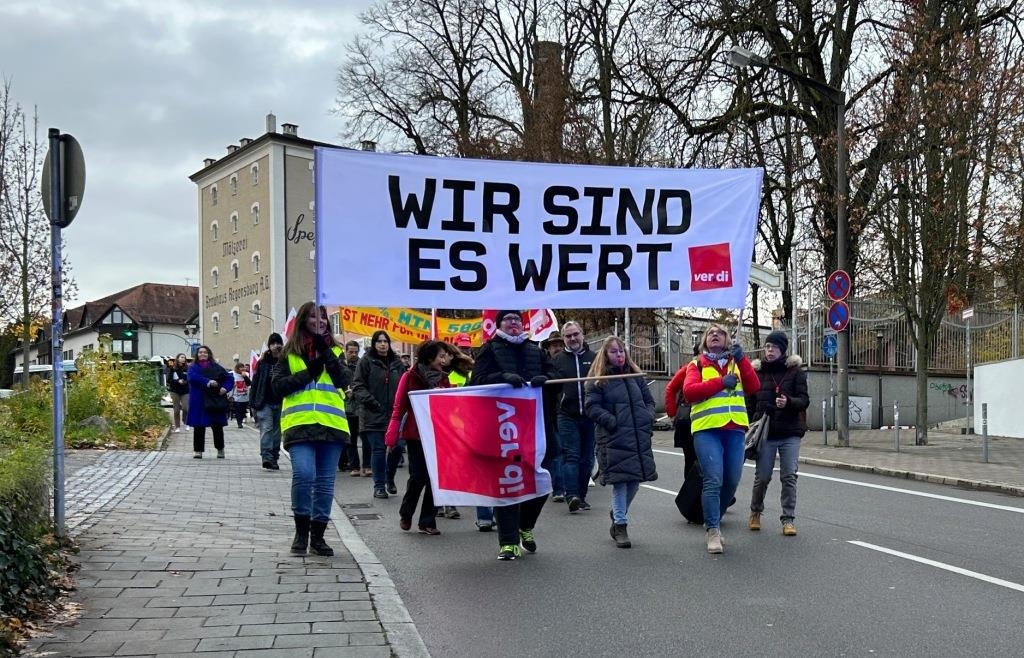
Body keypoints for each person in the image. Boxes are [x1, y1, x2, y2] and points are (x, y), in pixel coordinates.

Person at [468, 309, 554, 561]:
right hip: (503, 425)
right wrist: (502, 377)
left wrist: (546, 379)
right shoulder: (489, 349)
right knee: (507, 481)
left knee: (544, 474)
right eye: (508, 319)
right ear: (499, 325)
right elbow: (477, 381)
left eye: (517, 319)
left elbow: (557, 378)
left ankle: (525, 525)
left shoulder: (535, 350)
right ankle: (508, 542)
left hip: (536, 425)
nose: (514, 322)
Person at [271, 302, 351, 556]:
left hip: (332, 425)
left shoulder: (335, 350)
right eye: (314, 317)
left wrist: (325, 352)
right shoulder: (289, 353)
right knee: (304, 475)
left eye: (323, 317)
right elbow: (278, 387)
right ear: (304, 320)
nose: (320, 321)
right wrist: (309, 373)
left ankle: (318, 537)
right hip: (300, 424)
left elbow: (344, 380)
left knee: (325, 483)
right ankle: (301, 533)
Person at [682, 323, 759, 554]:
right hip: (707, 429)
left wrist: (742, 359)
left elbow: (754, 386)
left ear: (728, 340)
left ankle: (715, 517)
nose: (715, 335)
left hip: (735, 429)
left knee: (732, 480)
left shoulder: (737, 363)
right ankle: (713, 530)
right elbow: (689, 392)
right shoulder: (696, 364)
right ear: (705, 341)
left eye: (721, 333)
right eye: (711, 333)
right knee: (713, 479)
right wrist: (720, 383)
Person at [584, 336, 657, 548]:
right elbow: (592, 407)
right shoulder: (599, 380)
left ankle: (618, 513)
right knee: (620, 482)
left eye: (621, 351)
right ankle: (620, 525)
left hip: (637, 435)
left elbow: (649, 401)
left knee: (634, 481)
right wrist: (612, 421)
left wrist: (647, 417)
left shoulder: (635, 376)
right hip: (613, 437)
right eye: (614, 351)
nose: (619, 355)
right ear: (605, 355)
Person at [386, 340, 453, 535]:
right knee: (418, 476)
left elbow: (451, 409)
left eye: (445, 356)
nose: (444, 360)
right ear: (429, 358)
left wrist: (444, 397)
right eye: (441, 356)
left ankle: (427, 521)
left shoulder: (444, 379)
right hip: (415, 434)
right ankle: (406, 513)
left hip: (438, 435)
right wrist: (391, 437)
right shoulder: (410, 376)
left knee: (435, 478)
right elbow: (399, 407)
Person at [746, 330, 809, 537]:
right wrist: (748, 426)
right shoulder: (757, 373)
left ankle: (788, 519)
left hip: (790, 432)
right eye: (767, 347)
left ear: (782, 350)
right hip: (766, 433)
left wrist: (788, 402)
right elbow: (749, 404)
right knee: (762, 476)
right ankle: (755, 511)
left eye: (774, 347)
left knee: (789, 476)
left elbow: (804, 400)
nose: (769, 350)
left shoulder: (795, 372)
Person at [351, 330, 406, 499]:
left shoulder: (397, 363)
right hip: (372, 414)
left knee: (398, 447)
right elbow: (358, 386)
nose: (383, 344)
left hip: (395, 415)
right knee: (379, 450)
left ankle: (390, 478)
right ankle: (379, 486)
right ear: (374, 344)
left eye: (385, 341)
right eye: (379, 341)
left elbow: (405, 385)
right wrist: (373, 403)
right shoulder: (366, 361)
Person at [550, 321, 597, 513]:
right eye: (568, 336)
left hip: (590, 415)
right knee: (571, 456)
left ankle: (581, 497)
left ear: (582, 334)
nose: (572, 338)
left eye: (575, 334)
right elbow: (550, 389)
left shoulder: (594, 358)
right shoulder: (557, 360)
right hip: (567, 415)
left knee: (587, 459)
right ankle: (572, 495)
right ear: (564, 339)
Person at [186, 345, 233, 459]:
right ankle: (198, 450)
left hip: (214, 400)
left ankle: (220, 449)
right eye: (200, 352)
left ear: (209, 354)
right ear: (197, 354)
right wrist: (208, 381)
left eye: (205, 352)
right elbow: (192, 378)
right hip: (199, 400)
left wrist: (225, 388)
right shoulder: (193, 367)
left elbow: (229, 378)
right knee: (198, 426)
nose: (202, 354)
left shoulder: (216, 367)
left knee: (217, 426)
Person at [250, 332, 284, 470]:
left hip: (281, 401)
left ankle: (274, 456)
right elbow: (255, 382)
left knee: (277, 431)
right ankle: (266, 456)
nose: (276, 346)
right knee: (267, 429)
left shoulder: (285, 360)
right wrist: (253, 402)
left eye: (278, 343)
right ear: (269, 346)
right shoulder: (263, 362)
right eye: (273, 343)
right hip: (265, 401)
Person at [539, 331, 566, 502]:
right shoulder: (544, 363)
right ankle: (557, 487)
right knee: (554, 451)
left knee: (563, 451)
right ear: (548, 348)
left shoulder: (567, 361)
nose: (558, 348)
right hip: (548, 413)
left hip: (565, 412)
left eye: (560, 345)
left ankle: (562, 486)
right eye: (555, 345)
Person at [664, 344, 700, 475]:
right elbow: (670, 389)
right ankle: (690, 487)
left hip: (706, 420)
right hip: (689, 420)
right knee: (691, 459)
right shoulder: (688, 369)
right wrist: (672, 414)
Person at [339, 340, 365, 475]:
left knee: (362, 438)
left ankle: (360, 465)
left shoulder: (362, 365)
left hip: (360, 407)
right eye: (350, 352)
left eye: (356, 352)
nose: (353, 354)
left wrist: (355, 391)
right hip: (345, 407)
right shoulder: (340, 366)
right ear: (345, 352)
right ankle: (352, 465)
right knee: (349, 438)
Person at [166, 353, 190, 432]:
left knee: (185, 408)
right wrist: (177, 381)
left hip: (185, 391)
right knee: (176, 410)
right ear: (178, 358)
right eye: (181, 357)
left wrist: (185, 382)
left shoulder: (187, 368)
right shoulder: (173, 368)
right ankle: (177, 427)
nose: (183, 359)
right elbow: (169, 380)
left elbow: (190, 379)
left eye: (184, 357)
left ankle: (186, 422)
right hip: (175, 391)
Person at [230, 362, 251, 428]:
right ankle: (239, 423)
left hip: (245, 396)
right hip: (236, 396)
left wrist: (245, 377)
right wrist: (230, 395)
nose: (242, 369)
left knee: (243, 410)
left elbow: (249, 384)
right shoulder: (232, 374)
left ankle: (241, 420)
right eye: (240, 367)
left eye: (243, 367)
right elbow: (230, 385)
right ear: (237, 368)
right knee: (238, 410)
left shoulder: (246, 374)